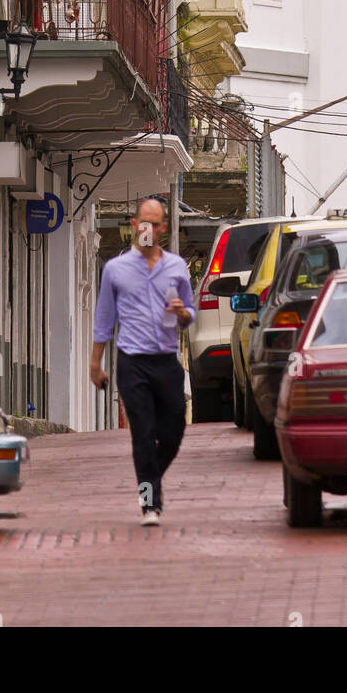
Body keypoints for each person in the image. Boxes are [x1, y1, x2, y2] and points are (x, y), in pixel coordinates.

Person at [90, 195, 196, 526]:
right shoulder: (115, 270)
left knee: (173, 431)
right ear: (135, 225)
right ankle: (149, 503)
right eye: (143, 222)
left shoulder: (177, 267)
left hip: (166, 361)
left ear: (163, 228)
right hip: (132, 361)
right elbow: (104, 319)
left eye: (155, 222)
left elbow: (190, 313)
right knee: (142, 433)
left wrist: (182, 313)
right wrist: (95, 364)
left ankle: (150, 479)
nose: (148, 228)